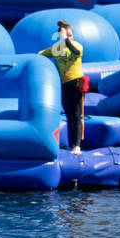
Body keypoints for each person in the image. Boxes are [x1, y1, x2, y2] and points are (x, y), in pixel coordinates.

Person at [39, 20, 85, 154]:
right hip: (64, 85)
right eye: (65, 36)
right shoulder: (56, 48)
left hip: (76, 83)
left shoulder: (77, 45)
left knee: (76, 115)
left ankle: (77, 146)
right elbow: (40, 55)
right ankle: (71, 144)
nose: (68, 38)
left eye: (70, 35)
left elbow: (75, 52)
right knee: (69, 114)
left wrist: (66, 40)